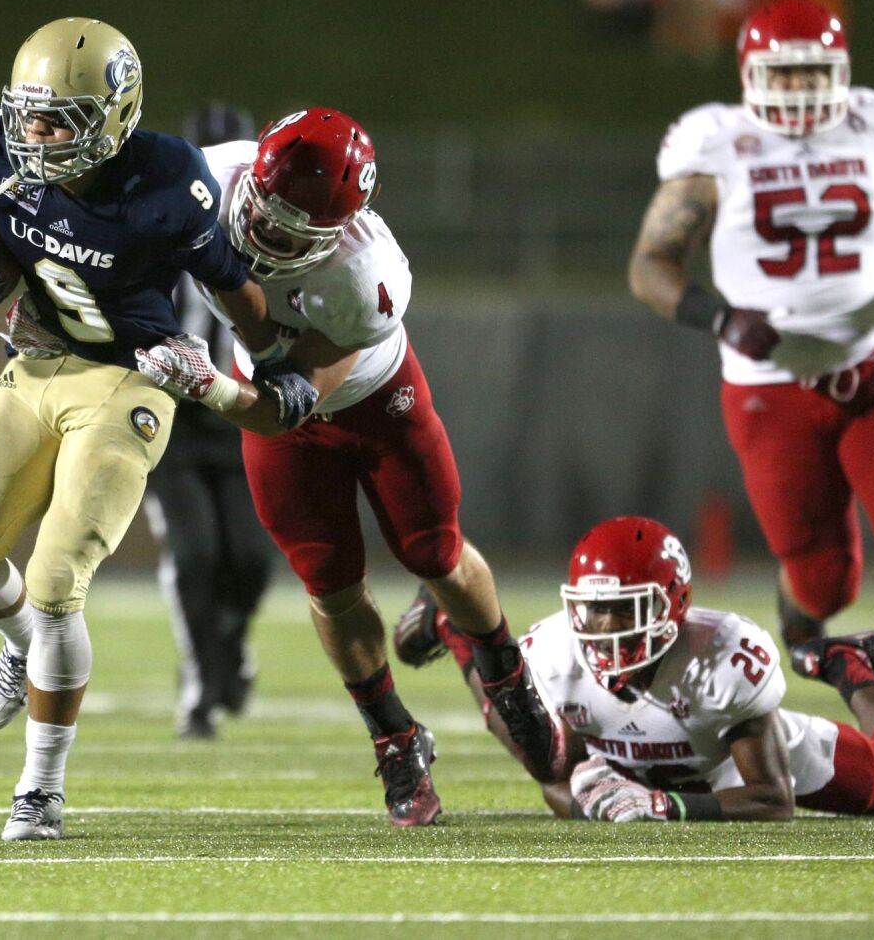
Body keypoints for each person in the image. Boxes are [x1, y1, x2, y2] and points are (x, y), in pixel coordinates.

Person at [626, 0, 874, 780]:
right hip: (772, 384)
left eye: (817, 70)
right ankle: (791, 673)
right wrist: (721, 318)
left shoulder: (871, 123)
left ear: (843, 74)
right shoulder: (717, 139)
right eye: (787, 70)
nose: (804, 86)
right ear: (750, 74)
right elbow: (651, 266)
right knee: (821, 574)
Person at [137, 108, 562, 827]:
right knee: (330, 586)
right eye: (262, 213)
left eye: (289, 232)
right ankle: (395, 735)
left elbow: (284, 406)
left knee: (436, 554)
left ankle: (505, 672)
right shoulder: (206, 174)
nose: (264, 235)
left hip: (369, 406)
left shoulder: (365, 278)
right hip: (271, 400)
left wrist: (203, 383)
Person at [0, 17, 281, 841]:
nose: (35, 135)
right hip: (35, 363)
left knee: (53, 586)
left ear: (113, 118)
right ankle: (18, 648)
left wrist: (269, 363)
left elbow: (233, 287)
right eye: (28, 115)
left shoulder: (169, 182)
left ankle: (40, 789)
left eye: (59, 121)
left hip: (130, 375)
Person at [518, 516, 874, 822]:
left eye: (626, 610)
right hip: (666, 784)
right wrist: (596, 807)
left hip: (748, 767)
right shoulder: (554, 656)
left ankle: (850, 667)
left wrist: (662, 808)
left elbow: (772, 798)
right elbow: (558, 782)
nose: (608, 627)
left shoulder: (722, 656)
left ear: (673, 603)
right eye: (596, 609)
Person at [141, 102, 279, 739]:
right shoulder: (154, 226)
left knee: (251, 558)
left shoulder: (274, 238)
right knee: (195, 552)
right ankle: (199, 681)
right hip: (171, 416)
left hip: (243, 415)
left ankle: (228, 642)